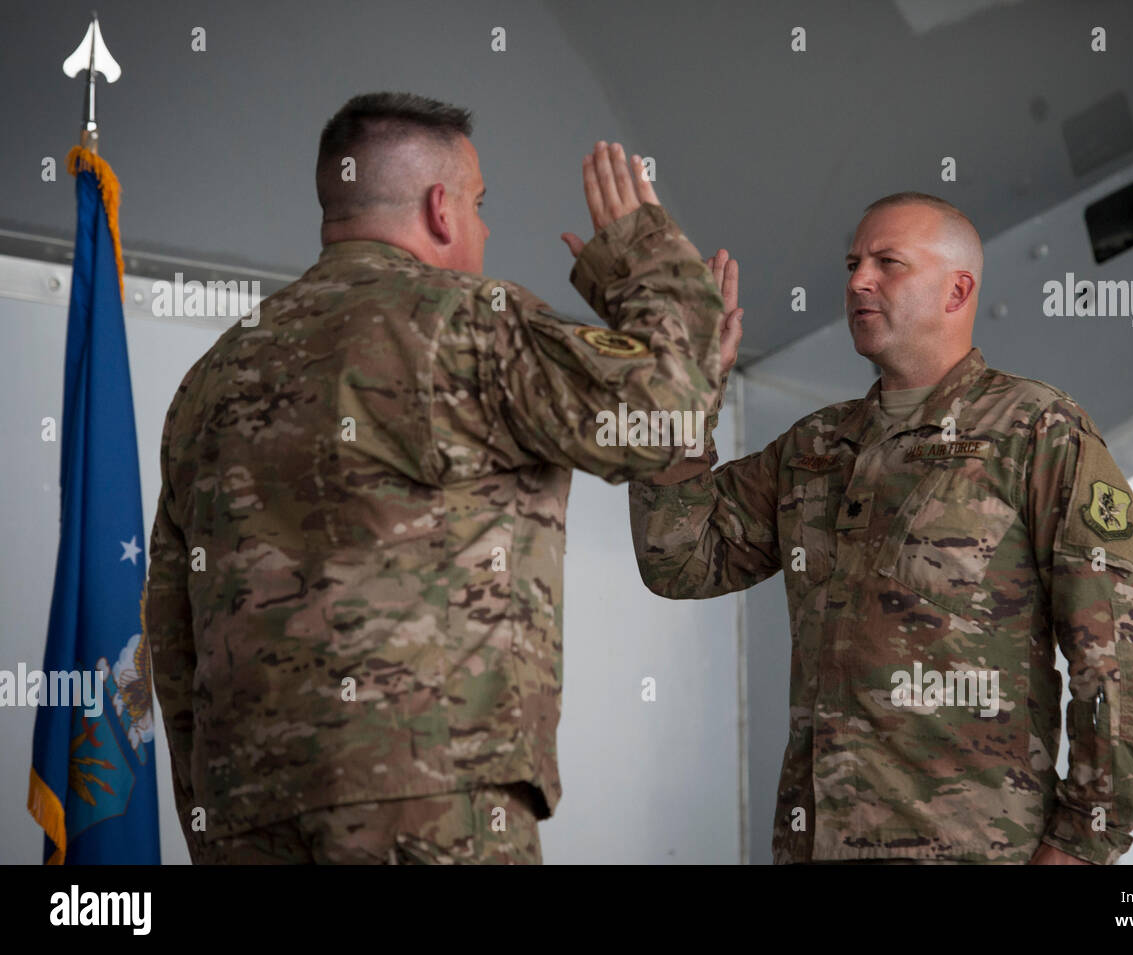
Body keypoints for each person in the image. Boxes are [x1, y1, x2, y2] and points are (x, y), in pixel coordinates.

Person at [145, 91, 725, 864]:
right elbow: (667, 418)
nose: (484, 228)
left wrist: (207, 812)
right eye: (480, 205)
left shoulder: (209, 379)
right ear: (441, 209)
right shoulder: (468, 322)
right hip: (429, 807)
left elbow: (171, 625)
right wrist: (644, 260)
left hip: (243, 816)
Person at [630, 192, 1133, 864]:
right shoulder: (814, 448)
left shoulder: (1039, 432)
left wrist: (1083, 844)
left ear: (957, 289)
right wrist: (682, 387)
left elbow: (1114, 658)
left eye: (889, 262)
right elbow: (680, 560)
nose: (857, 281)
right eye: (854, 263)